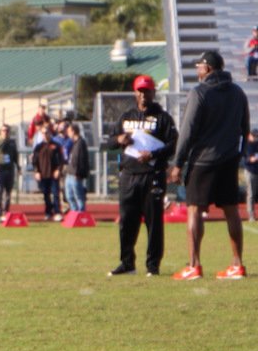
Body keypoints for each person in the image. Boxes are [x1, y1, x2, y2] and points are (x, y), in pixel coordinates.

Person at [170, 51, 250, 280]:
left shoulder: (199, 92)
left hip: (202, 160)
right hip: (228, 159)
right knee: (231, 210)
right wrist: (239, 155)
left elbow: (188, 130)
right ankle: (237, 264)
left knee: (194, 210)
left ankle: (194, 265)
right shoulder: (237, 92)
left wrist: (178, 162)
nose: (197, 70)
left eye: (199, 66)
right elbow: (245, 128)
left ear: (208, 68)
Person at [106, 74, 178, 276]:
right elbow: (109, 142)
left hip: (152, 175)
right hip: (129, 175)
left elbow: (173, 145)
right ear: (135, 92)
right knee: (127, 221)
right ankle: (127, 263)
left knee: (153, 222)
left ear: (153, 92)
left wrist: (153, 154)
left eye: (147, 90)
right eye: (140, 90)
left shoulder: (163, 118)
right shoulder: (126, 116)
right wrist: (120, 139)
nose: (143, 94)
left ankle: (152, 266)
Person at [31, 125, 63, 222]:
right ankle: (48, 212)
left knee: (55, 193)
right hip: (43, 174)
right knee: (46, 194)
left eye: (47, 133)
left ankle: (57, 212)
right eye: (43, 133)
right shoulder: (38, 147)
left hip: (53, 174)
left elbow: (61, 160)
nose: (45, 135)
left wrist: (58, 170)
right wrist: (36, 172)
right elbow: (34, 161)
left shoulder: (56, 146)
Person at [0, 124, 19, 223]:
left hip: (10, 168)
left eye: (7, 130)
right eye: (3, 130)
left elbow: (15, 155)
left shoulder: (12, 142)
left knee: (8, 193)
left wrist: (18, 166)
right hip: (0, 169)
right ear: (0, 131)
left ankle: (6, 212)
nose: (5, 132)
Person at [64, 123, 90, 212]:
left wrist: (78, 173)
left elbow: (81, 160)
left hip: (75, 175)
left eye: (69, 131)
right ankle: (74, 212)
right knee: (69, 196)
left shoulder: (81, 143)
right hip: (69, 173)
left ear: (73, 131)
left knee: (78, 196)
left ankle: (81, 214)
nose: (67, 134)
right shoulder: (73, 143)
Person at [245, 129, 258, 222]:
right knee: (251, 194)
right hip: (251, 172)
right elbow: (250, 159)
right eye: (254, 136)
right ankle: (251, 215)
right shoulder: (248, 145)